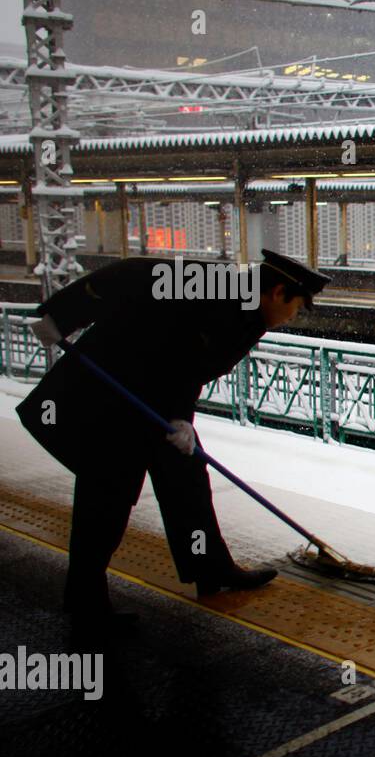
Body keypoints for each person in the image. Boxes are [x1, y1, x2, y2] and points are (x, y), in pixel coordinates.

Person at [16, 250, 331, 634]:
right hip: (110, 396)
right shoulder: (215, 283)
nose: (292, 318)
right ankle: (85, 599)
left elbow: (187, 360)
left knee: (187, 483)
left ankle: (209, 567)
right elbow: (129, 273)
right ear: (278, 292)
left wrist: (181, 418)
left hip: (157, 400)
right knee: (107, 497)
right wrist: (61, 316)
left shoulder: (251, 316)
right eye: (296, 309)